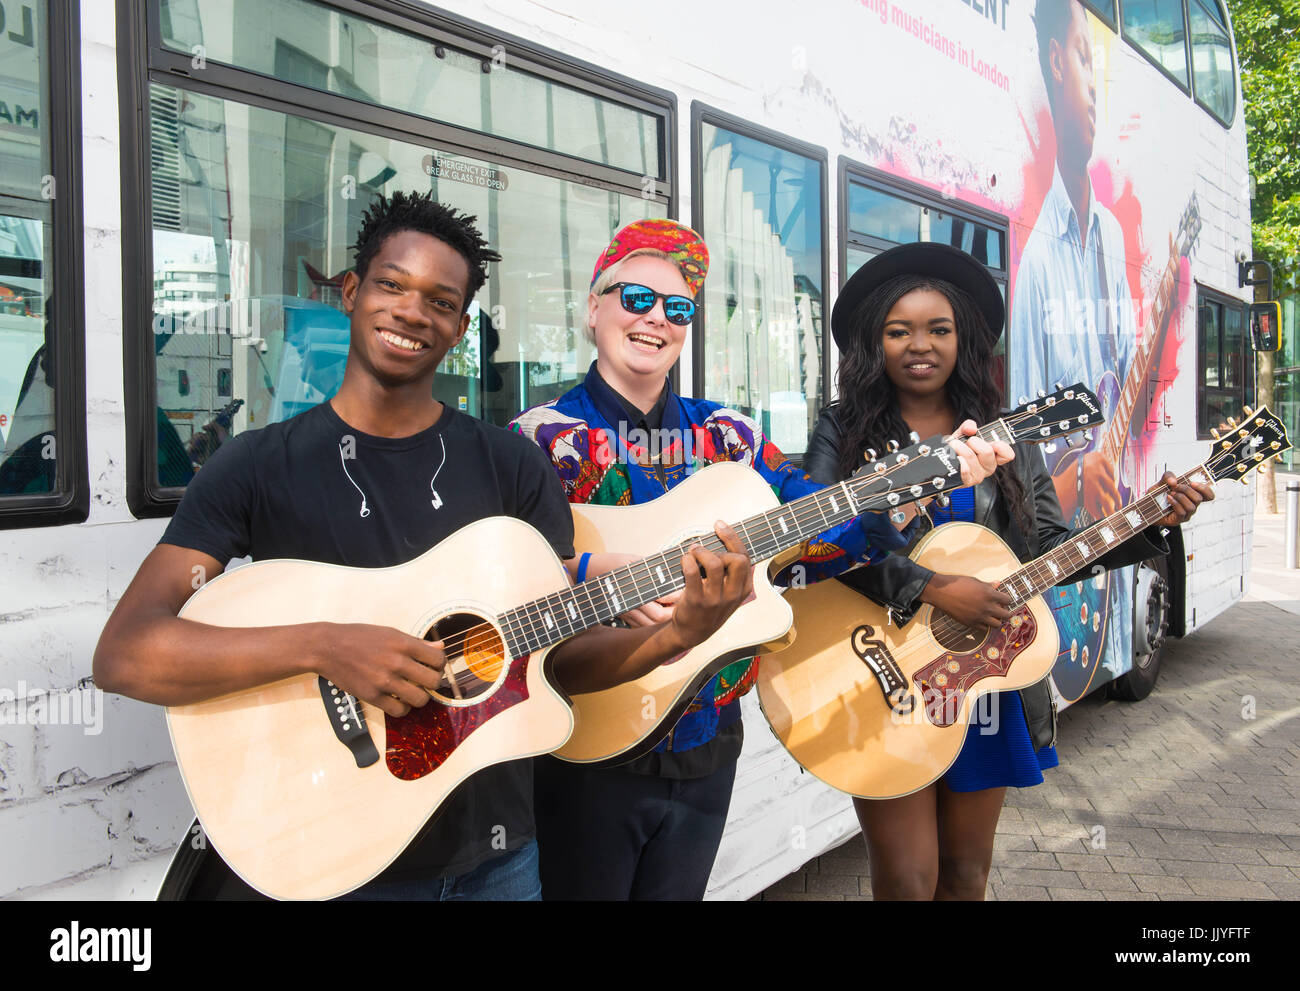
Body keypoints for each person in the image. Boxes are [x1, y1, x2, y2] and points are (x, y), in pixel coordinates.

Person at [91, 192, 756, 901]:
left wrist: (679, 635)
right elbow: (126, 653)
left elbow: (558, 657)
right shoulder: (256, 465)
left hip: (497, 863)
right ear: (350, 292)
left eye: (441, 300)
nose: (412, 311)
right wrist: (325, 645)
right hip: (337, 856)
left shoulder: (511, 466)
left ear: (460, 327)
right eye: (391, 284)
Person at [508, 219, 1011, 900]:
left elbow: (829, 533)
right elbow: (502, 582)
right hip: (588, 741)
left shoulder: (732, 435)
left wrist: (924, 480)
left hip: (707, 743)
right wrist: (593, 575)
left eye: (678, 308)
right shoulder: (534, 440)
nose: (657, 318)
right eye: (635, 298)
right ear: (593, 308)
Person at [803, 240, 1213, 900]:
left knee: (966, 876)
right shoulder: (841, 430)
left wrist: (1152, 521)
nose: (921, 344)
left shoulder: (1006, 435)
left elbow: (1053, 545)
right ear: (872, 342)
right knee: (909, 881)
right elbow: (816, 542)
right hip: (879, 673)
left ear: (964, 339)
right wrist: (931, 587)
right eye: (898, 329)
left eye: (939, 329)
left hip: (979, 678)